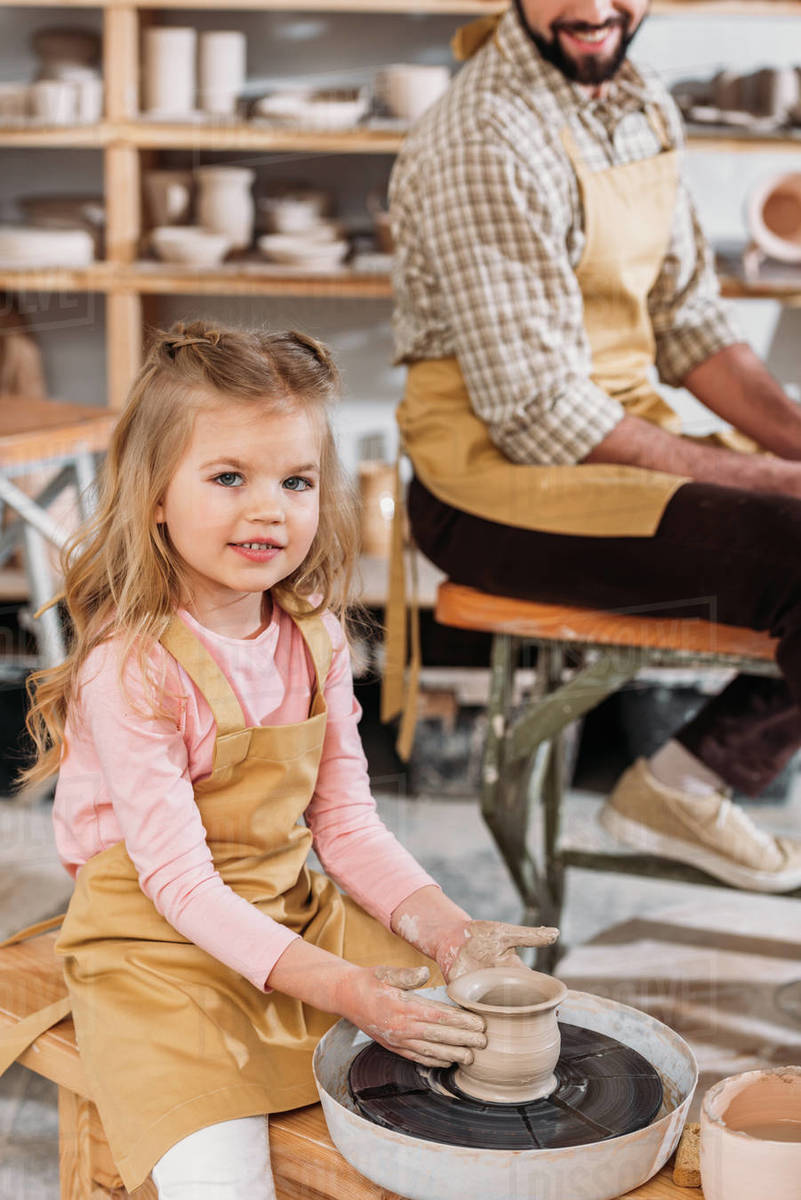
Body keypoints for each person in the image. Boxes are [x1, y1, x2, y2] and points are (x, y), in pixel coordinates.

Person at [12, 321, 558, 1199]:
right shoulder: (133, 666)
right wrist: (346, 990)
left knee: (471, 1030)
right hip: (156, 940)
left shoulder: (314, 636)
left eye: (295, 481)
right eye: (228, 477)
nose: (268, 507)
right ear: (154, 492)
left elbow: (343, 824)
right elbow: (181, 887)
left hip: (283, 901)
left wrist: (450, 930)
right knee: (223, 1180)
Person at [387, 0, 801, 893]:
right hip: (492, 483)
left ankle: (683, 782)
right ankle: (692, 783)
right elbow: (539, 413)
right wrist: (771, 479)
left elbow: (687, 323)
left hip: (616, 436)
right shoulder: (483, 134)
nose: (590, 4)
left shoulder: (639, 98)